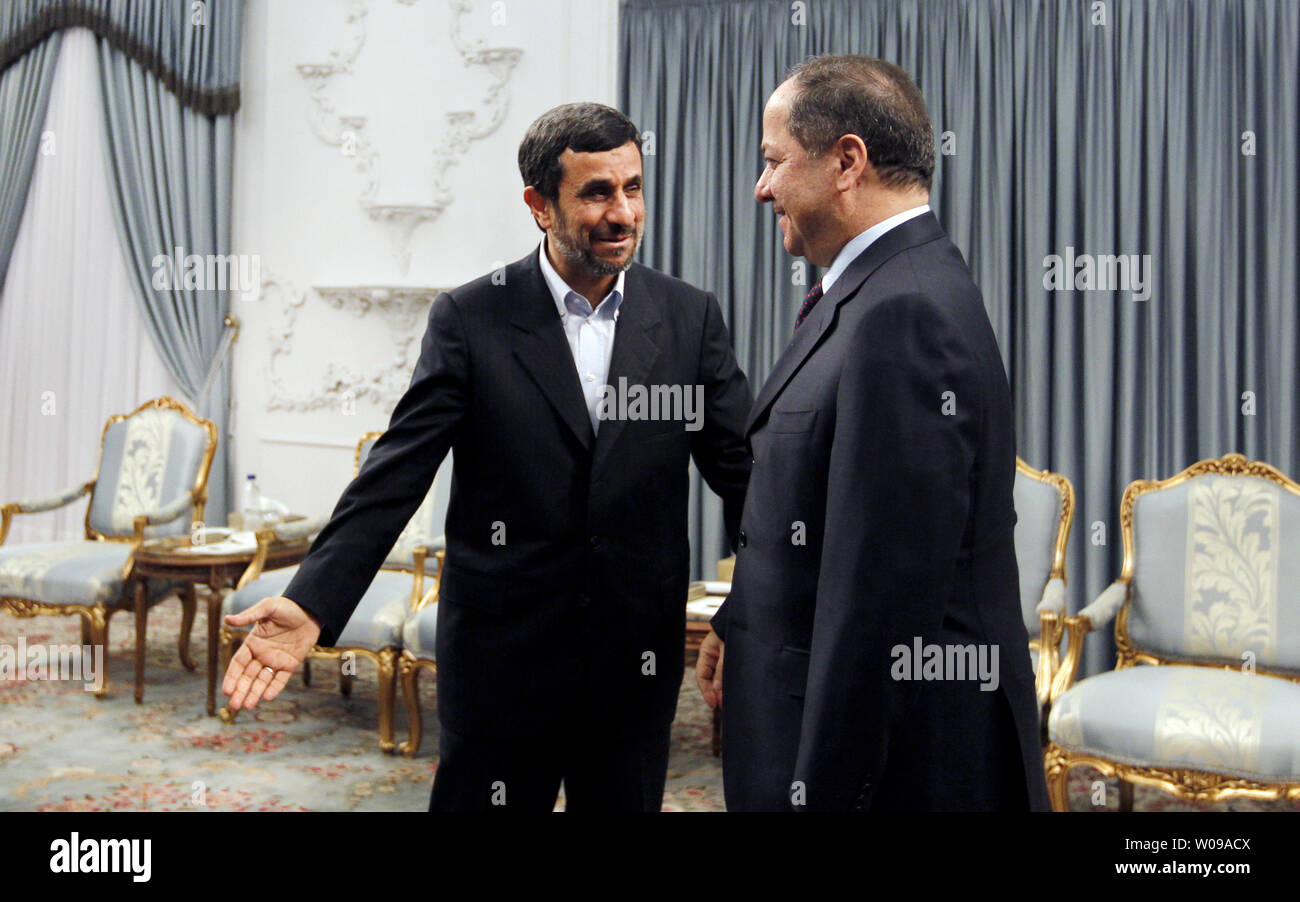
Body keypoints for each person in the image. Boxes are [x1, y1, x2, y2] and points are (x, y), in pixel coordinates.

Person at [223, 103, 752, 812]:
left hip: (634, 663)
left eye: (632, 187)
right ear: (539, 205)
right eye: (596, 192)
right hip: (503, 666)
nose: (622, 212)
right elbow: (397, 472)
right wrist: (315, 601)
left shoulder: (690, 318)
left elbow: (746, 475)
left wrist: (756, 603)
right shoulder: (471, 319)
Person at [697, 55, 1049, 811]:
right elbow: (821, 515)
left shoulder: (903, 312)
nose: (762, 189)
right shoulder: (881, 287)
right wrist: (741, 617)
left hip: (880, 767)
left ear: (846, 162)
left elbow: (883, 604)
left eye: (773, 162)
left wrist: (822, 791)